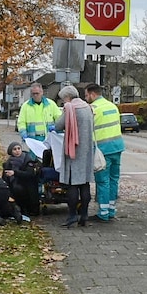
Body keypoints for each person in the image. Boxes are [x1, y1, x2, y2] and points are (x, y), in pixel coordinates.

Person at [51, 84, 95, 227]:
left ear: (67, 97)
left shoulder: (70, 108)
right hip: (87, 150)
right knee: (85, 184)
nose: (63, 102)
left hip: (73, 150)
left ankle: (71, 216)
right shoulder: (88, 107)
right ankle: (84, 214)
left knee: (72, 184)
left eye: (63, 99)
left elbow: (58, 125)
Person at [84, 84, 126, 221]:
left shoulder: (93, 109)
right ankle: (111, 210)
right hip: (117, 147)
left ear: (92, 94)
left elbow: (87, 131)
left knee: (102, 181)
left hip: (102, 150)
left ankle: (103, 213)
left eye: (86, 95)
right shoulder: (112, 106)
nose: (86, 98)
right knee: (114, 180)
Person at [2, 141, 40, 217]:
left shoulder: (27, 159)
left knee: (20, 189)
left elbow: (29, 174)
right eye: (14, 149)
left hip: (28, 183)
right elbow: (5, 177)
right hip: (15, 183)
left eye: (19, 148)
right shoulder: (9, 162)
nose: (17, 151)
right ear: (11, 151)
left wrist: (15, 173)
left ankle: (29, 209)